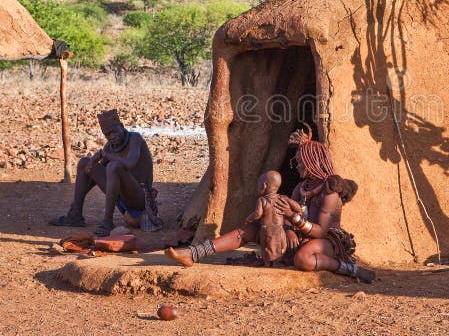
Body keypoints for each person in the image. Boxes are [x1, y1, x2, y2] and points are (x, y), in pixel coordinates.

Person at [165, 125, 375, 283]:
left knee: (303, 259)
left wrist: (295, 220)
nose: (297, 164)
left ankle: (347, 269)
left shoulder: (330, 193)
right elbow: (286, 218)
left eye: (300, 160)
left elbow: (321, 232)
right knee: (252, 229)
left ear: (313, 162)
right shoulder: (300, 188)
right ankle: (194, 253)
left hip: (327, 242)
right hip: (302, 235)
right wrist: (288, 229)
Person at [49, 109, 159, 237]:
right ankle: (75, 215)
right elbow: (93, 175)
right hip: (122, 197)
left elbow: (129, 163)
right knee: (85, 162)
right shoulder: (109, 147)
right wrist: (91, 167)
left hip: (140, 198)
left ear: (122, 126)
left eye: (114, 132)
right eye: (107, 134)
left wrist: (103, 154)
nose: (112, 136)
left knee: (113, 166)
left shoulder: (135, 139)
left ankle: (108, 222)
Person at [244, 170, 287, 267]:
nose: (257, 186)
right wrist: (297, 211)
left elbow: (258, 214)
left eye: (258, 183)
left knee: (266, 247)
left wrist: (249, 218)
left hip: (266, 229)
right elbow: (296, 206)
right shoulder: (282, 198)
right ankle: (277, 261)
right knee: (280, 246)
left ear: (264, 185)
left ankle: (267, 263)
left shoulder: (262, 200)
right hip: (280, 229)